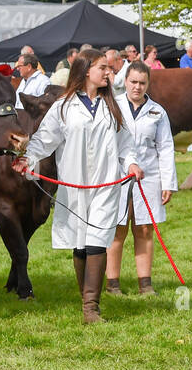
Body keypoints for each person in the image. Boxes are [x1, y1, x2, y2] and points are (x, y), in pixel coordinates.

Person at [12, 49, 143, 324]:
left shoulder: (112, 106)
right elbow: (43, 141)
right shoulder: (63, 107)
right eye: (103, 68)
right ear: (86, 71)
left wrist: (131, 163)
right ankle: (87, 299)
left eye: (109, 68)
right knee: (80, 243)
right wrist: (28, 160)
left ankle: (91, 308)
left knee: (97, 241)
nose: (109, 73)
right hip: (74, 186)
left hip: (106, 185)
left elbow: (125, 143)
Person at [107, 62, 177, 297]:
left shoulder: (158, 111)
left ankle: (145, 284)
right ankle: (112, 284)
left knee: (145, 228)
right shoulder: (112, 106)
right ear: (125, 81)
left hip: (149, 176)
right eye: (133, 82)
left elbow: (166, 148)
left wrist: (168, 183)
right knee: (117, 228)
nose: (137, 87)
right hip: (116, 175)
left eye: (142, 83)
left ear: (148, 84)